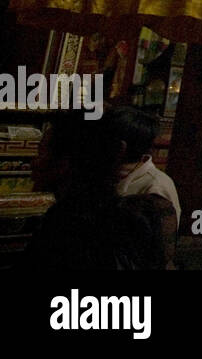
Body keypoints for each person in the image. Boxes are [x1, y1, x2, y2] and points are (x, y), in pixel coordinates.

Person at [21, 111, 172, 270]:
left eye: (41, 152)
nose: (34, 163)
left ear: (65, 163)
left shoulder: (68, 226)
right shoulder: (122, 215)